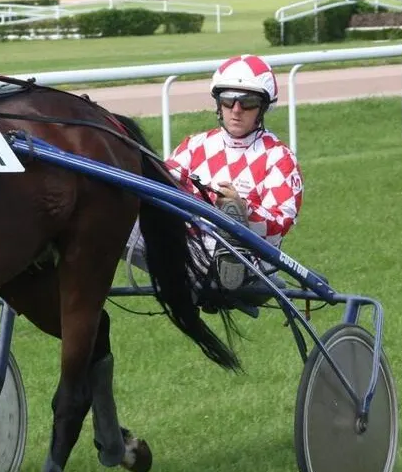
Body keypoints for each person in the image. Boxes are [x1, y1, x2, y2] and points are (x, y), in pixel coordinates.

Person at [125, 53, 303, 307]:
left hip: (251, 259)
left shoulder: (279, 157)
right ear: (219, 104)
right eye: (229, 101)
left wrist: (245, 209)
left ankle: (228, 264)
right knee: (116, 218)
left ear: (263, 107)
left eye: (248, 102)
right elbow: (161, 189)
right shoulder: (196, 145)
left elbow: (281, 222)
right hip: (189, 248)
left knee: (231, 220)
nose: (237, 110)